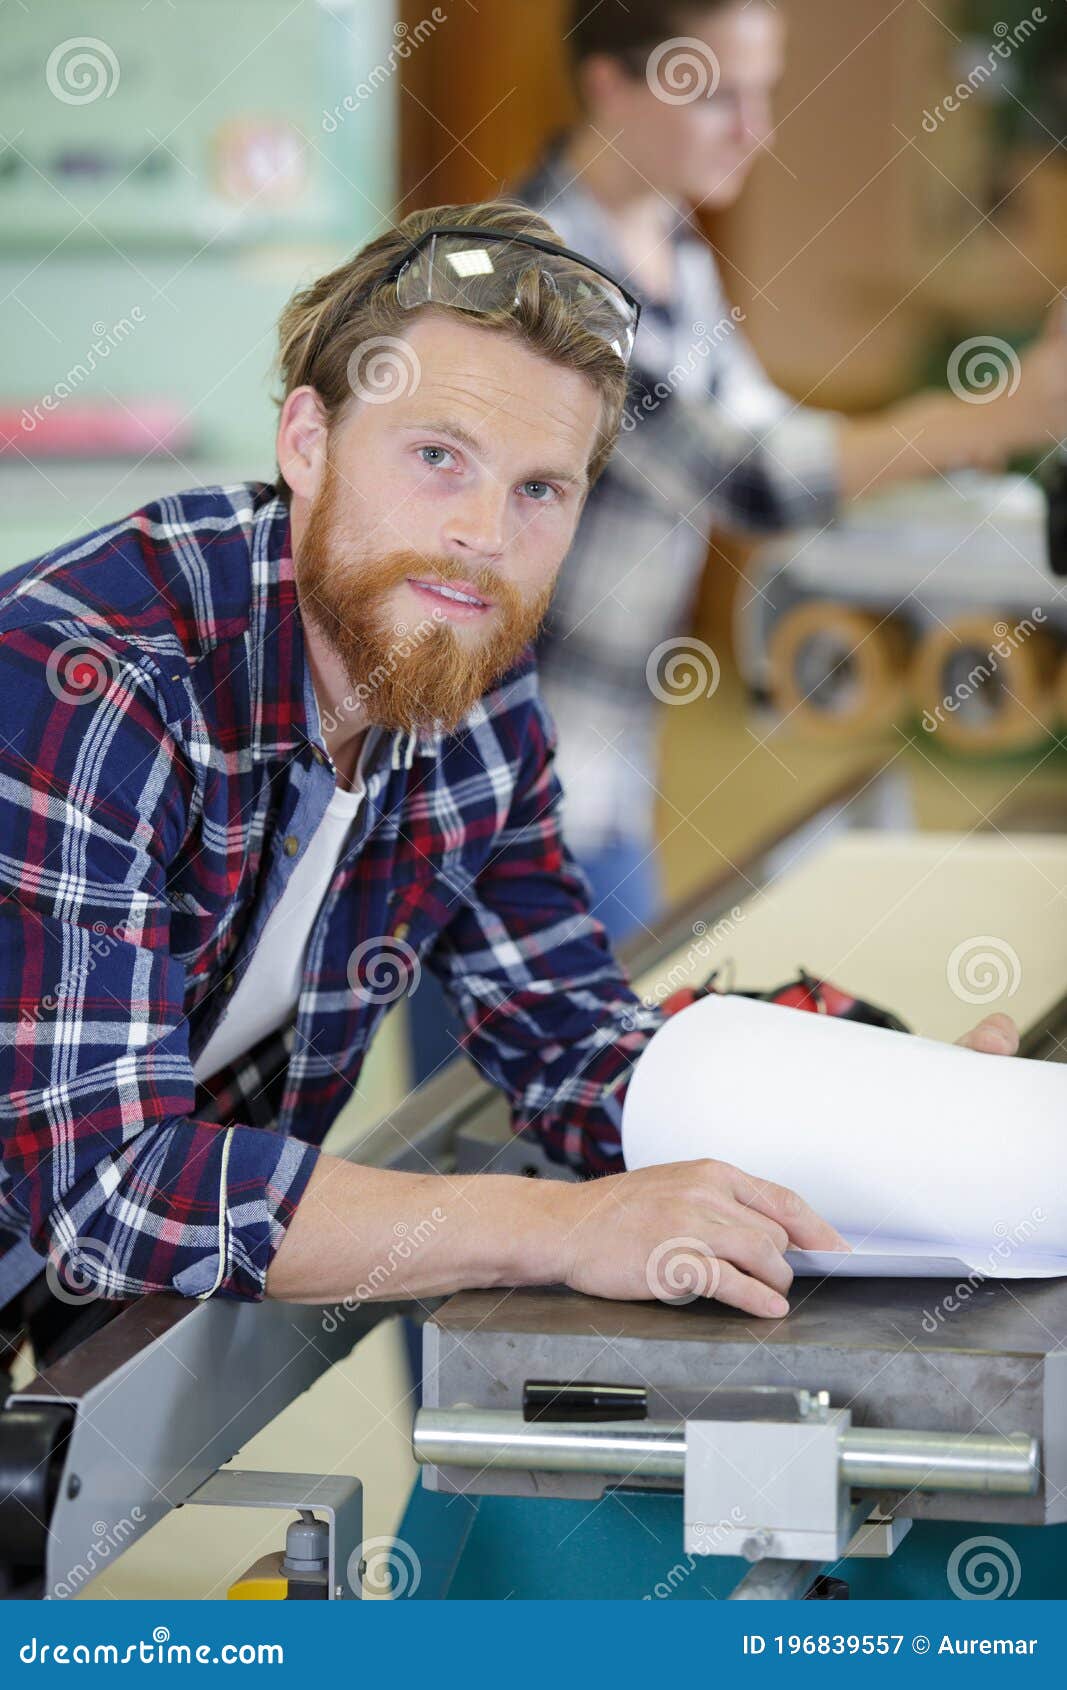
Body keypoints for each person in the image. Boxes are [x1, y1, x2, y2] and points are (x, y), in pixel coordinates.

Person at [0, 200, 1015, 1352]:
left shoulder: (469, 681)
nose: (483, 533)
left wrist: (872, 1100)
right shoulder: (92, 676)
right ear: (305, 441)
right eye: (437, 457)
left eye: (542, 489)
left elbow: (573, 1039)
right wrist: (558, 1225)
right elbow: (110, 1184)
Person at [511, 0, 1067, 943]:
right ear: (611, 85)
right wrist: (1000, 411)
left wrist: (963, 444)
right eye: (720, 96)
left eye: (763, 92)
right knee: (528, 1080)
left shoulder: (671, 247)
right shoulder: (541, 276)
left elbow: (771, 429)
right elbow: (749, 480)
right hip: (508, 794)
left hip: (607, 769)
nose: (756, 131)